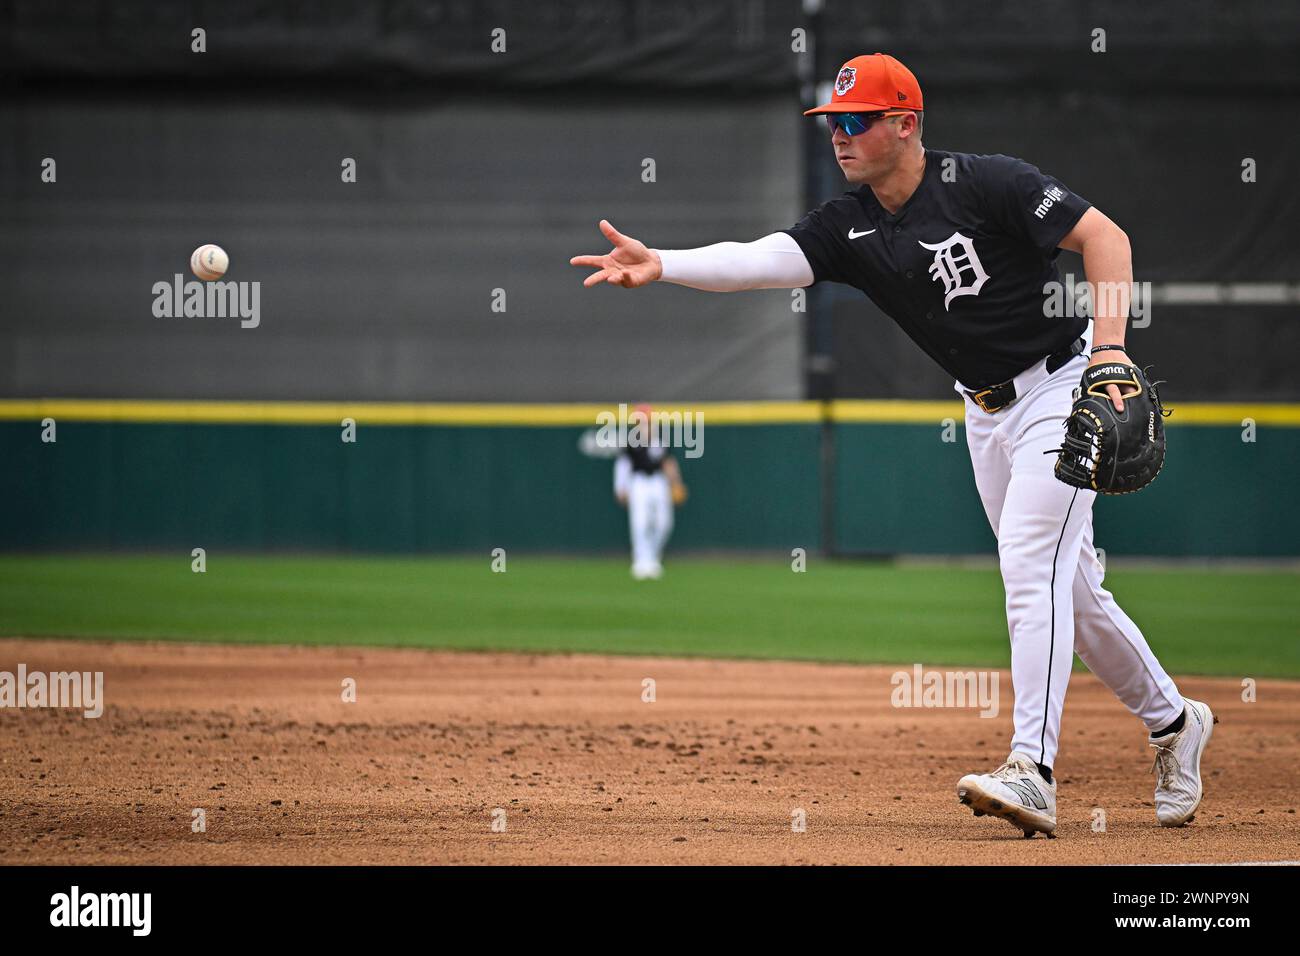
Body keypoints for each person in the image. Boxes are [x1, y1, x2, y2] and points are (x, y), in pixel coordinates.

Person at [570, 53, 1214, 837]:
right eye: (830, 123)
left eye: (855, 121)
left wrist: (1110, 350)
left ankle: (1031, 769)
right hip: (986, 414)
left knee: (1027, 558)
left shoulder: (988, 182)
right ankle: (1176, 723)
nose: (838, 136)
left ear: (904, 124)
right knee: (1070, 593)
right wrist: (663, 263)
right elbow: (758, 260)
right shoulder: (849, 225)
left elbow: (1104, 237)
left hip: (1062, 389)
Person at [615, 404, 686, 580]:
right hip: (638, 481)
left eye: (647, 420)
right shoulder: (631, 441)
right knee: (640, 523)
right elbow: (623, 465)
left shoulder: (660, 439)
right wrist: (620, 487)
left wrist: (676, 482)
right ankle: (640, 561)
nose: (645, 423)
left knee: (664, 523)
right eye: (641, 420)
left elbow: (668, 463)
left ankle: (652, 558)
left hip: (658, 481)